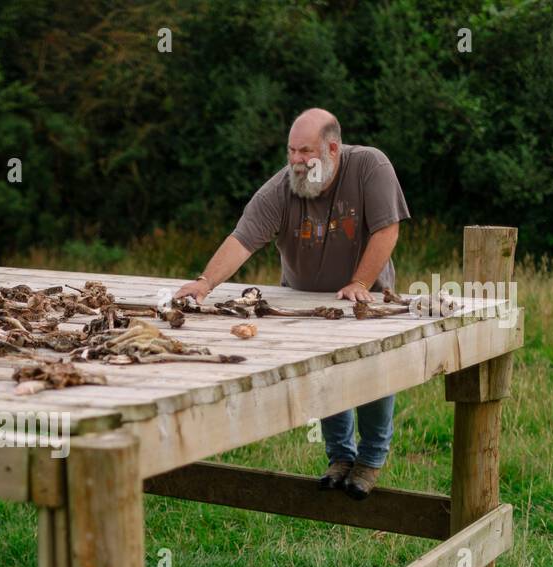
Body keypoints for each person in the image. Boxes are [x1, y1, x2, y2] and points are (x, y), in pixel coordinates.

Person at [173, 108, 410, 500]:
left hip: (365, 298)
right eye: (291, 151)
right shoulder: (282, 188)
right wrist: (204, 283)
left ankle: (369, 461)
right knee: (328, 374)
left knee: (373, 371)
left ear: (333, 148)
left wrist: (360, 282)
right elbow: (243, 239)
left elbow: (388, 229)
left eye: (306, 151)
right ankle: (339, 456)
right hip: (305, 306)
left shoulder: (370, 166)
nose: (297, 161)